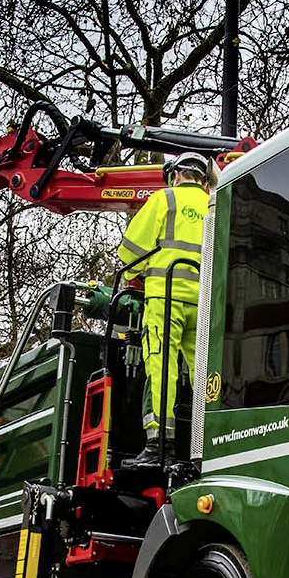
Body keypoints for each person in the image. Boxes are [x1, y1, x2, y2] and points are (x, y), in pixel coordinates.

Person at [116, 151, 214, 467]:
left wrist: (134, 273)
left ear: (175, 175)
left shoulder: (164, 200)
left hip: (165, 299)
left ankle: (159, 446)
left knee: (162, 368)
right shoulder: (217, 206)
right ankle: (211, 443)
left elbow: (130, 252)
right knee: (205, 373)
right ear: (203, 179)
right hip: (204, 304)